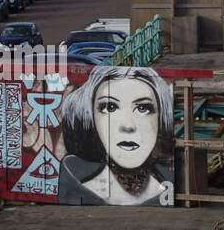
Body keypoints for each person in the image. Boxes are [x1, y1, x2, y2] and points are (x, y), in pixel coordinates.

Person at [57, 66, 174, 206]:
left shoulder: (168, 185)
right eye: (110, 107)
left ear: (161, 117)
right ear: (90, 117)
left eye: (143, 108)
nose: (128, 125)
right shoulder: (77, 187)